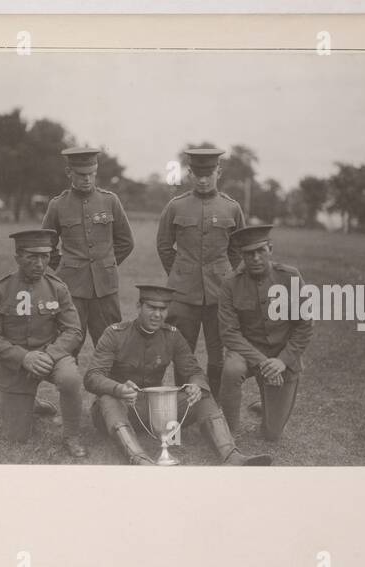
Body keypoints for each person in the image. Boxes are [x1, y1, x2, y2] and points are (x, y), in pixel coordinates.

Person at [84, 284, 271, 466]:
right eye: (151, 308)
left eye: (163, 309)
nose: (157, 314)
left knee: (203, 394)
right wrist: (118, 388)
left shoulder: (172, 335)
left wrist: (196, 385)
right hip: (117, 410)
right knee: (108, 398)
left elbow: (194, 371)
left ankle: (231, 455)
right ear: (139, 307)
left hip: (155, 410)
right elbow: (92, 376)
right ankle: (139, 459)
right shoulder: (115, 334)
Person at [0, 228, 87, 457]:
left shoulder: (57, 288)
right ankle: (31, 402)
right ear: (18, 257)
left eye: (45, 256)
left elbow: (73, 330)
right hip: (16, 362)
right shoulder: (0, 290)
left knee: (70, 379)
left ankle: (72, 436)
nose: (40, 263)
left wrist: (50, 355)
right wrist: (23, 357)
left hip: (51, 355)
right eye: (32, 257)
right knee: (16, 437)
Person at [155, 147, 246, 394]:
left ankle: (212, 404)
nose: (203, 179)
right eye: (198, 174)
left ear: (219, 172)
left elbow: (238, 248)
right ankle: (184, 405)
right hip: (183, 294)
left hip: (220, 293)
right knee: (183, 352)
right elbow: (164, 245)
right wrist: (179, 272)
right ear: (190, 174)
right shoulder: (176, 206)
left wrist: (225, 273)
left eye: (209, 174)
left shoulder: (231, 208)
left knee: (218, 355)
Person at [218, 224, 313, 441]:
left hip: (282, 354)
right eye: (249, 253)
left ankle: (266, 405)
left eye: (261, 251)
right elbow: (229, 333)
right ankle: (229, 431)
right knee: (232, 370)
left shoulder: (290, 277)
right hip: (247, 350)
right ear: (242, 255)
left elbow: (304, 326)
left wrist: (282, 361)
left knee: (272, 433)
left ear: (270, 249)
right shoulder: (230, 283)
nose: (256, 258)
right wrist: (263, 362)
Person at [40, 146, 135, 347]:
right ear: (69, 173)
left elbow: (126, 242)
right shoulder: (57, 205)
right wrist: (64, 267)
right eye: (82, 174)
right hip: (72, 289)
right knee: (68, 345)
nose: (87, 179)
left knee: (111, 345)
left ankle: (109, 380)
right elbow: (45, 244)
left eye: (92, 174)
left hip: (105, 289)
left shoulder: (110, 201)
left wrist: (106, 264)